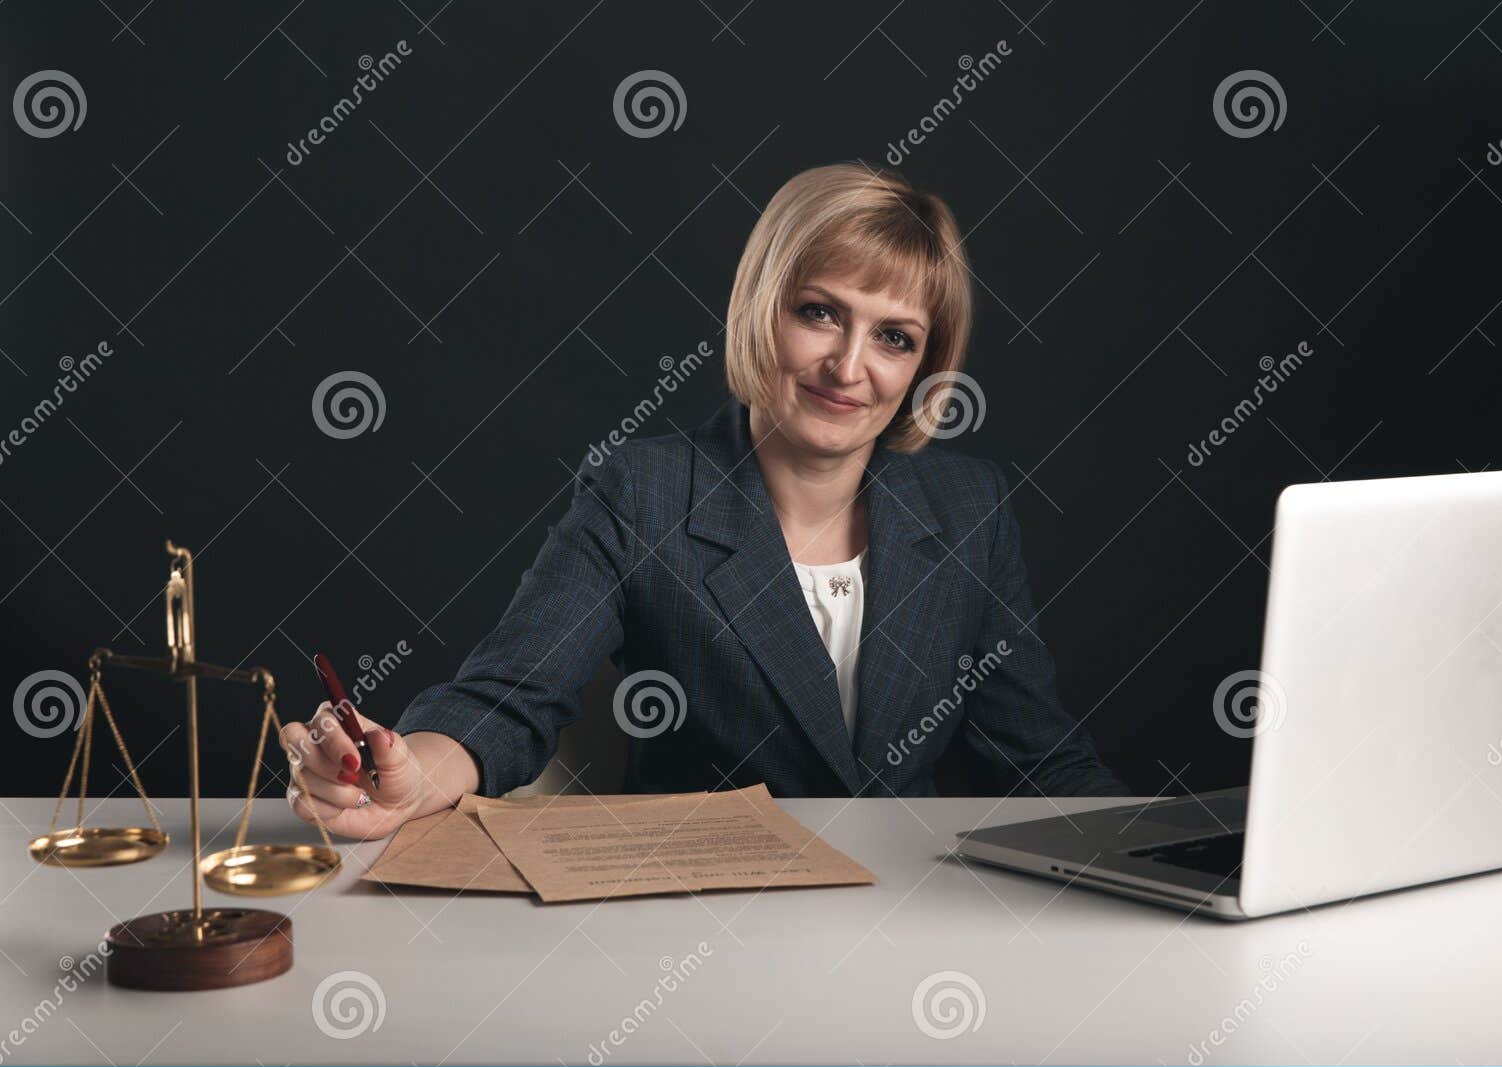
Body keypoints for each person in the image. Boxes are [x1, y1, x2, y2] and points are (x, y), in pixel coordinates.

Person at [281, 162, 1129, 840]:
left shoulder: (969, 506)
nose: (849, 366)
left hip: (908, 925)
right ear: (763, 310)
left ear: (923, 365)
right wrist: (411, 773)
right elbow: (510, 696)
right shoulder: (643, 491)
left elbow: (1038, 759)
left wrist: (1169, 847)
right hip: (699, 922)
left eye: (895, 337)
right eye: (820, 313)